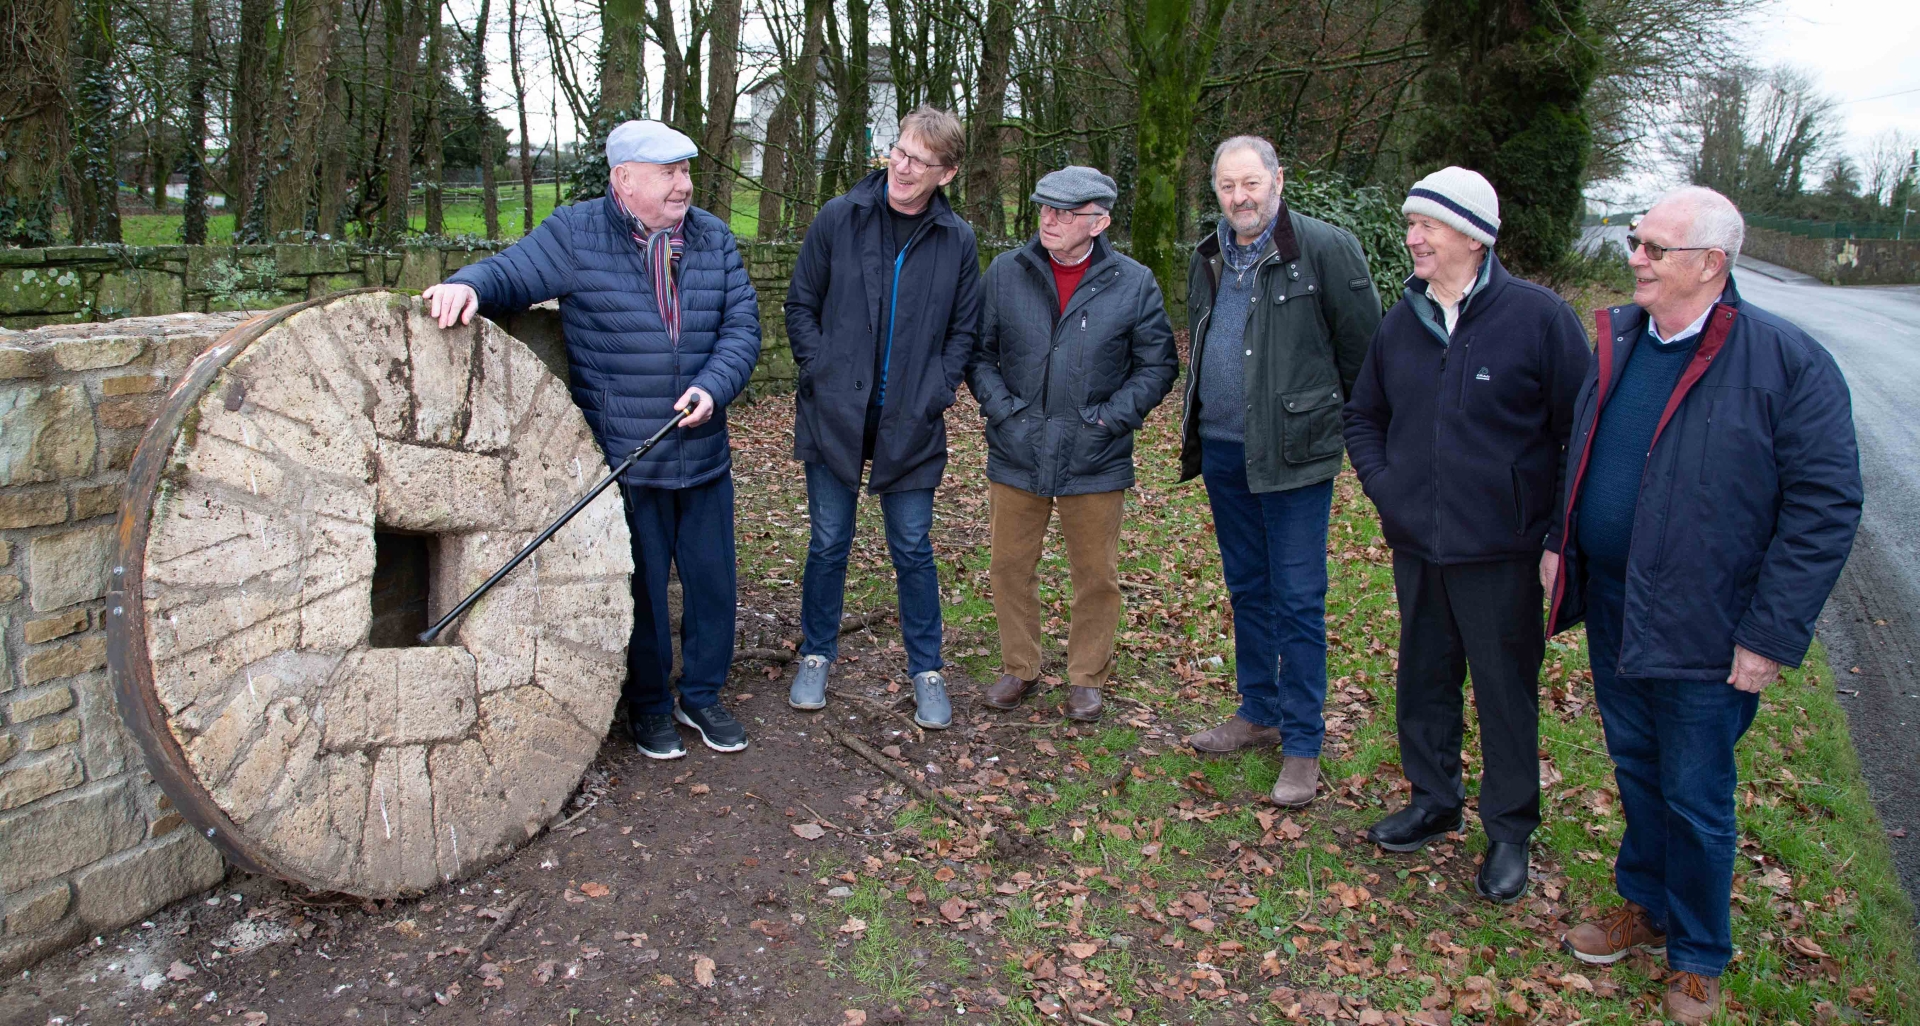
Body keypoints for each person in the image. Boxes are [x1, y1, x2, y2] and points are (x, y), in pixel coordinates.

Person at [1545, 186, 1861, 1024]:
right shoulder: (1621, 340)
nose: (1635, 258)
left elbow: (1825, 506)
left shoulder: (1786, 364)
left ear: (1712, 263)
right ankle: (1646, 906)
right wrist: (1559, 540)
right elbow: (1585, 451)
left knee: (1696, 791)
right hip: (1616, 604)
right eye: (1636, 241)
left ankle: (1697, 954)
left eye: (1654, 247)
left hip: (1707, 626)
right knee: (1637, 767)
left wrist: (1771, 634)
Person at [422, 120, 762, 760]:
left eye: (686, 171)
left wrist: (714, 386)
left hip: (703, 451)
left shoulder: (712, 237)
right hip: (628, 459)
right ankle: (650, 705)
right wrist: (467, 284)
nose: (683, 185)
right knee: (643, 591)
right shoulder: (576, 234)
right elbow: (511, 273)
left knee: (714, 583)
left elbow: (742, 326)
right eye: (668, 173)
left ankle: (702, 696)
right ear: (623, 178)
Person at [1343, 167, 1591, 903]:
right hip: (1419, 546)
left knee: (1505, 692)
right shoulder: (1404, 319)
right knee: (1423, 678)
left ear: (1474, 237)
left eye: (1427, 225)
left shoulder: (1540, 319)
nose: (1412, 238)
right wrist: (1390, 490)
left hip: (1503, 552)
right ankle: (1434, 801)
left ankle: (1509, 829)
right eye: (1411, 224)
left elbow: (1579, 435)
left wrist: (1556, 535)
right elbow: (1363, 415)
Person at [1180, 135, 1382, 807]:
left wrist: (1347, 435)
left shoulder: (1325, 249)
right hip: (1224, 450)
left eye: (1251, 183)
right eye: (1227, 185)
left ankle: (1302, 742)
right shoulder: (1209, 255)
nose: (1240, 197)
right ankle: (1258, 710)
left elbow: (1364, 355)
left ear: (1277, 180)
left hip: (1293, 456)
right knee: (1248, 587)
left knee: (1297, 597)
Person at [782, 106, 982, 729]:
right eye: (900, 152)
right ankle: (816, 654)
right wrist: (820, 370)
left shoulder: (957, 240)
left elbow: (965, 330)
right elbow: (800, 303)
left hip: (911, 421)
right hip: (835, 413)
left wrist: (937, 390)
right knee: (828, 541)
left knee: (912, 546)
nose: (904, 167)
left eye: (922, 161)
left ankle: (927, 669)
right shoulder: (839, 217)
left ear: (946, 173)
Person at [965, 166, 1177, 722]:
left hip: (1095, 454)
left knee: (1096, 576)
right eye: (1045, 208)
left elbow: (1157, 366)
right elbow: (978, 353)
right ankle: (1020, 666)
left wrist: (1109, 420)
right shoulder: (1006, 272)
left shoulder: (1133, 282)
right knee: (1010, 566)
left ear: (1099, 222)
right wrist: (1005, 411)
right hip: (1017, 447)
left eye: (1066, 212)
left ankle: (1086, 676)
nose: (1051, 220)